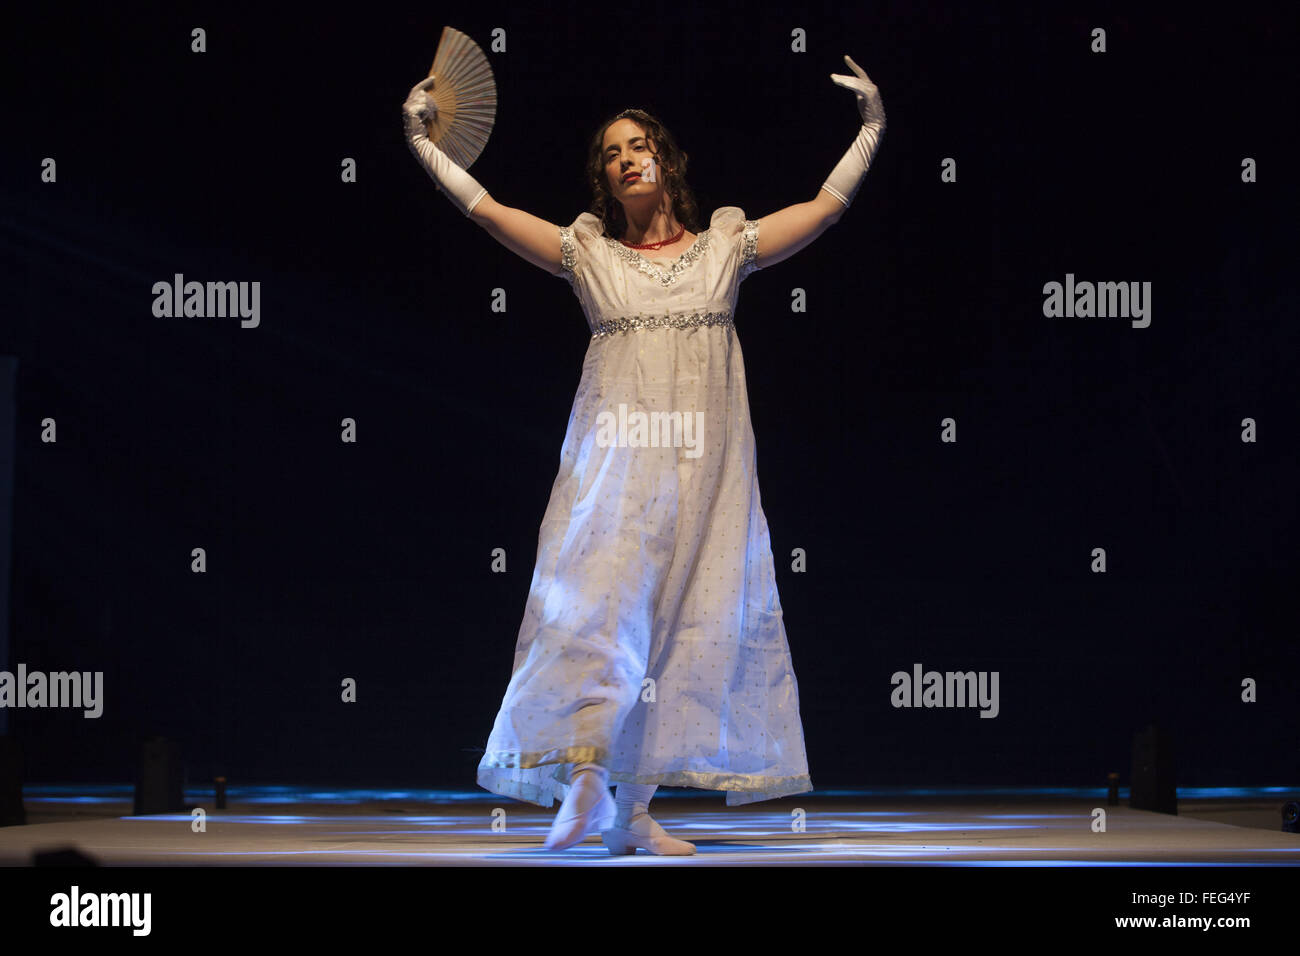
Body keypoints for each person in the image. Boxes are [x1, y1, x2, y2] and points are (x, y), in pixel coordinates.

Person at [402, 55, 885, 855]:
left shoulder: (724, 249)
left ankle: (631, 814)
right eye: (610, 154)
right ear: (604, 179)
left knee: (682, 632)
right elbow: (489, 212)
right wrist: (424, 145)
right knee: (599, 619)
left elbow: (824, 210)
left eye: (638, 145)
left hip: (705, 480)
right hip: (616, 474)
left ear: (667, 159)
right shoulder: (589, 255)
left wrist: (871, 129)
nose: (625, 159)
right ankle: (589, 782)